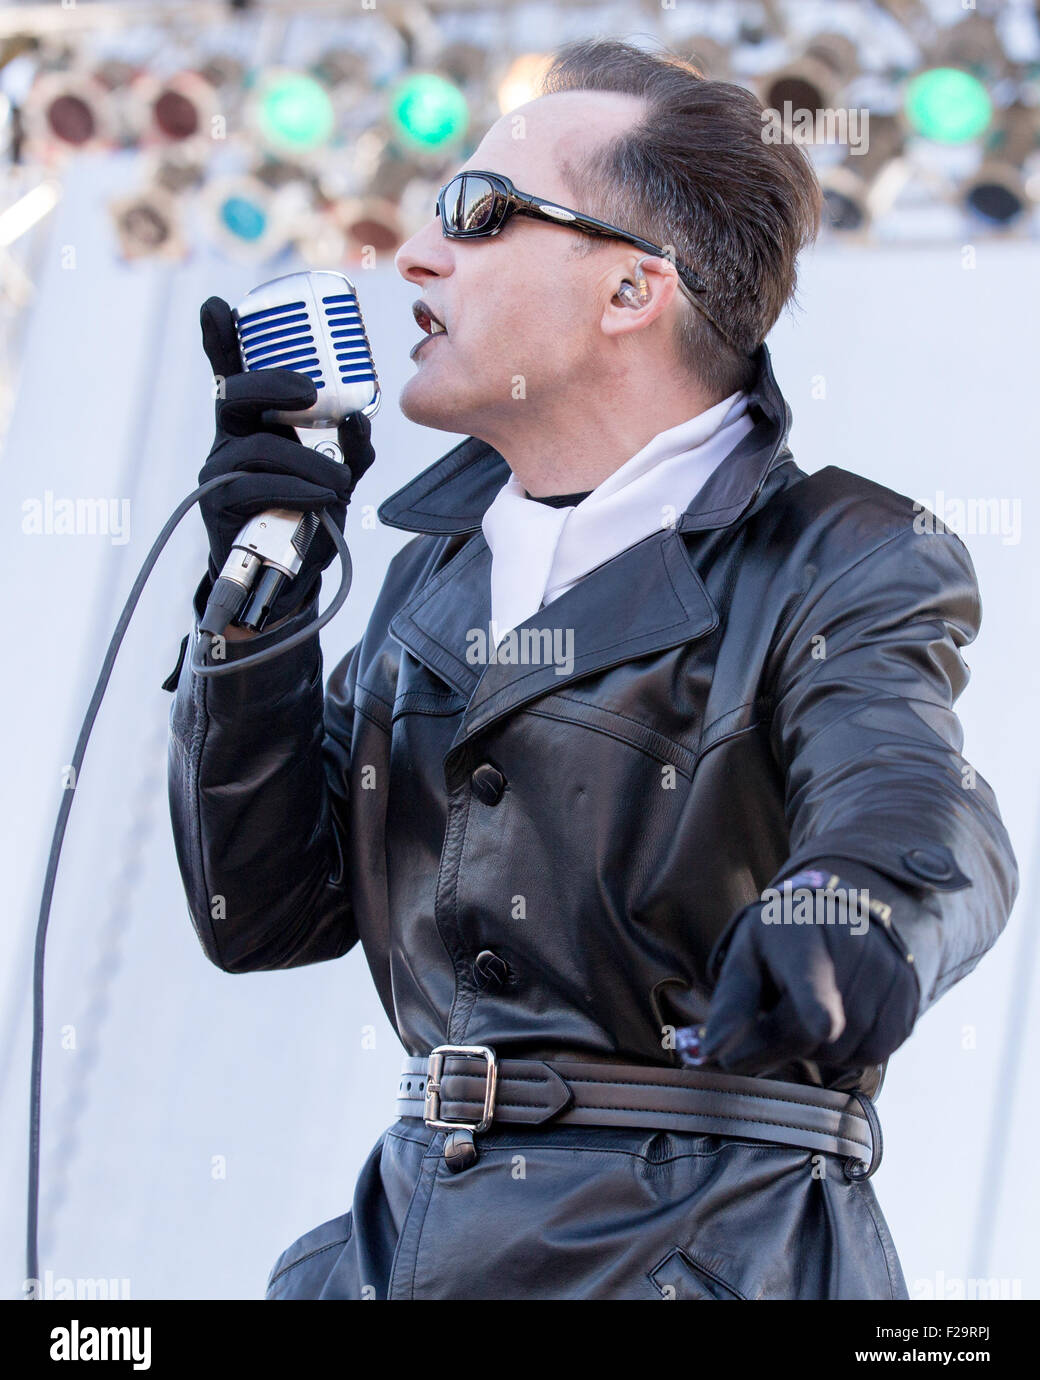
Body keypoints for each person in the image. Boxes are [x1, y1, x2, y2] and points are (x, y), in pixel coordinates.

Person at [167, 39, 1017, 1300]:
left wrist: (848, 912)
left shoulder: (838, 552)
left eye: (476, 211)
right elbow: (263, 913)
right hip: (402, 1242)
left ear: (630, 293)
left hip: (697, 1250)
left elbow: (906, 792)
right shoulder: (432, 577)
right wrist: (259, 609)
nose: (414, 252)